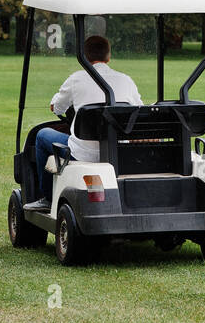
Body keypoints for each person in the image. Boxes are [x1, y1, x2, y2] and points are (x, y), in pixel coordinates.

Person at [26, 35, 142, 209]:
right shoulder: (126, 80)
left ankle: (48, 197)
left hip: (82, 153)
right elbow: (139, 111)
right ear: (108, 56)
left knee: (42, 135)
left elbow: (57, 108)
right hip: (118, 150)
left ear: (85, 57)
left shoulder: (76, 79)